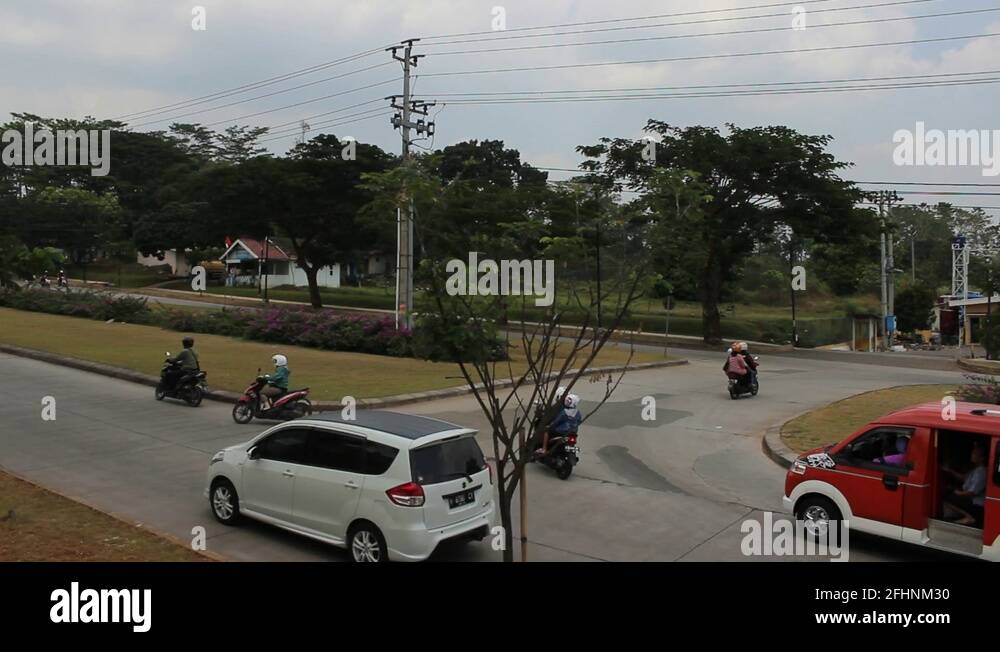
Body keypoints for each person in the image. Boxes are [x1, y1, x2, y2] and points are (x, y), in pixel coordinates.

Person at [942, 442, 988, 527]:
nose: (972, 455)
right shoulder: (976, 469)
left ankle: (970, 517)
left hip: (976, 504)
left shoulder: (981, 472)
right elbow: (964, 478)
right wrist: (950, 471)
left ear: (982, 458)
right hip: (970, 500)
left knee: (947, 497)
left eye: (974, 454)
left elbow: (972, 492)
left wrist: (956, 492)